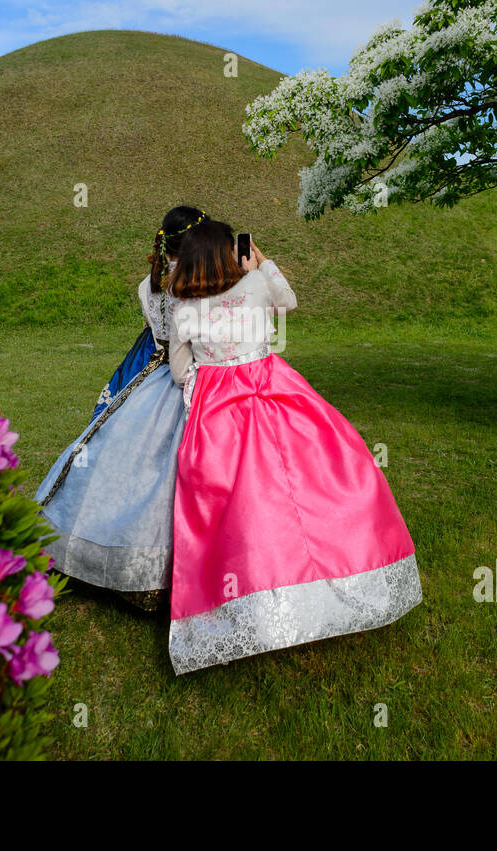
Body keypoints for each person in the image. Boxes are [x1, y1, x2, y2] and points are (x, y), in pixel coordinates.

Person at [165, 219, 422, 675]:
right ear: (232, 254)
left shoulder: (182, 308)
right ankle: (335, 581)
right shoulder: (259, 285)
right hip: (274, 389)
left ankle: (247, 604)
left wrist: (212, 363)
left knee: (239, 506)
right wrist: (264, 264)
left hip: (219, 407)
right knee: (318, 478)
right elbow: (290, 301)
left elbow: (181, 372)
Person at [34, 206, 207, 609]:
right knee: (167, 473)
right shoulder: (199, 288)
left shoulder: (150, 287)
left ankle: (85, 551)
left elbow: (154, 337)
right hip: (186, 382)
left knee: (117, 464)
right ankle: (151, 575)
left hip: (148, 382)